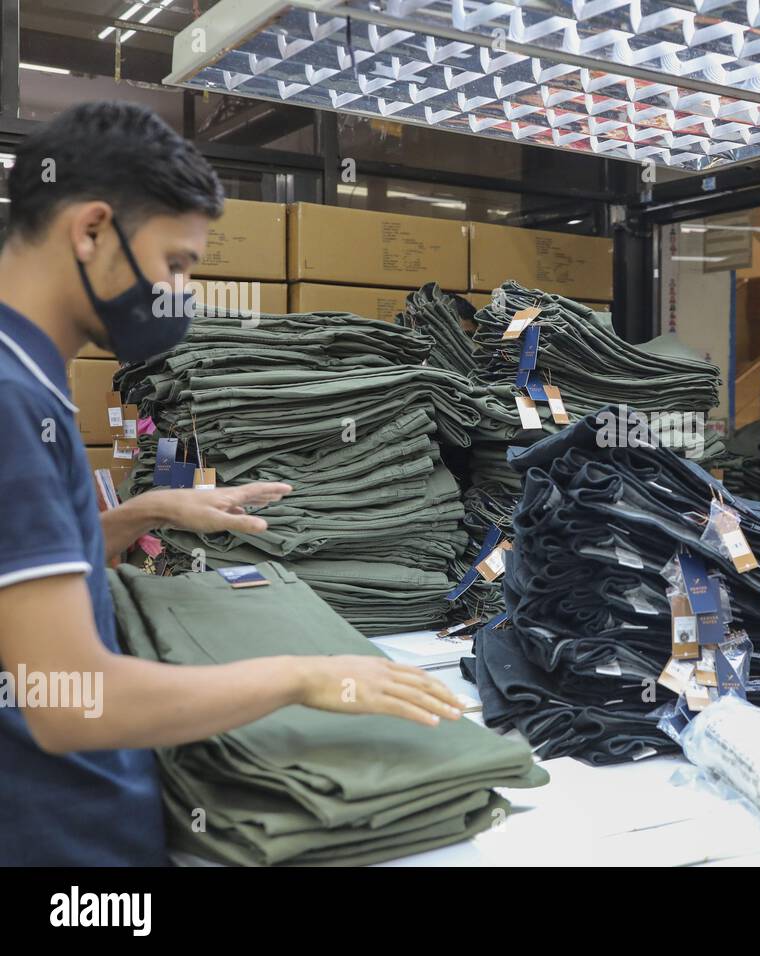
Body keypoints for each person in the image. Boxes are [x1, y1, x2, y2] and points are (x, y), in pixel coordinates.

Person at [0, 102, 463, 866]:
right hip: (60, 846)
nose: (181, 294)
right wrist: (303, 675)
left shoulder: (29, 376)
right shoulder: (12, 400)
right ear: (89, 230)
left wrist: (148, 511)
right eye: (175, 264)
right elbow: (66, 703)